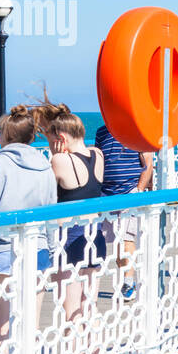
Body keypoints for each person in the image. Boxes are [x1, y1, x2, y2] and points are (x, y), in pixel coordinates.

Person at [0, 105, 58, 341]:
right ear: (31, 136)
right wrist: (52, 249)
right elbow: (51, 215)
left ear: (6, 135)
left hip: (0, 248)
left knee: (2, 328)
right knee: (32, 323)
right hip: (37, 248)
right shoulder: (45, 166)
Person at [38, 98, 107, 324]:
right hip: (95, 234)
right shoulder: (98, 154)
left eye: (49, 140)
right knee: (89, 304)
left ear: (61, 139)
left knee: (70, 309)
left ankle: (75, 352)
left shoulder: (58, 160)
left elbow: (45, 195)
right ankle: (92, 350)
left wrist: (54, 156)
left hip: (69, 237)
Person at [94, 124, 154, 299]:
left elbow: (148, 164)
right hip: (105, 195)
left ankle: (128, 282)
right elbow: (99, 161)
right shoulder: (102, 131)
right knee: (103, 240)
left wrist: (139, 190)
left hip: (129, 193)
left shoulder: (137, 129)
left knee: (126, 238)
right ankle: (94, 279)